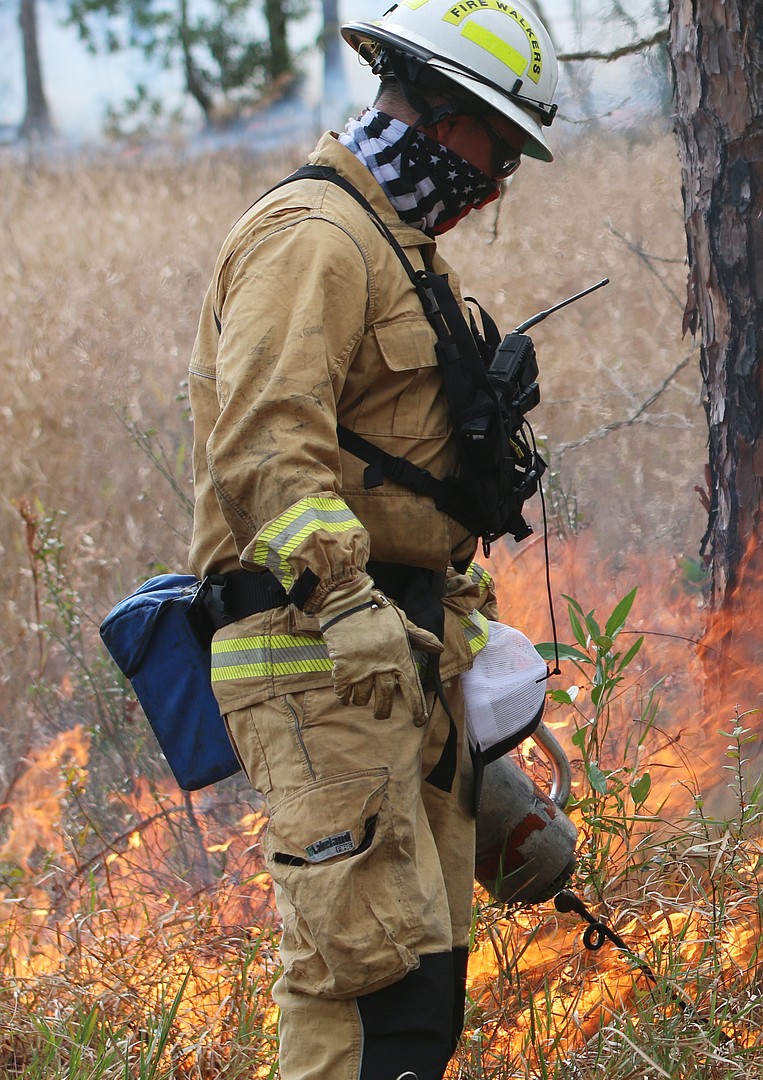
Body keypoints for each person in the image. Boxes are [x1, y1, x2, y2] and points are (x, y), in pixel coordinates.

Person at [185, 2, 558, 1077]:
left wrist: (466, 627)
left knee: (420, 996)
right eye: (497, 145)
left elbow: (393, 474)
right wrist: (347, 600)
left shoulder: (399, 250)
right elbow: (263, 445)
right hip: (318, 657)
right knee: (363, 995)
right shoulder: (315, 239)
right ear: (442, 113)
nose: (498, 180)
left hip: (393, 661)